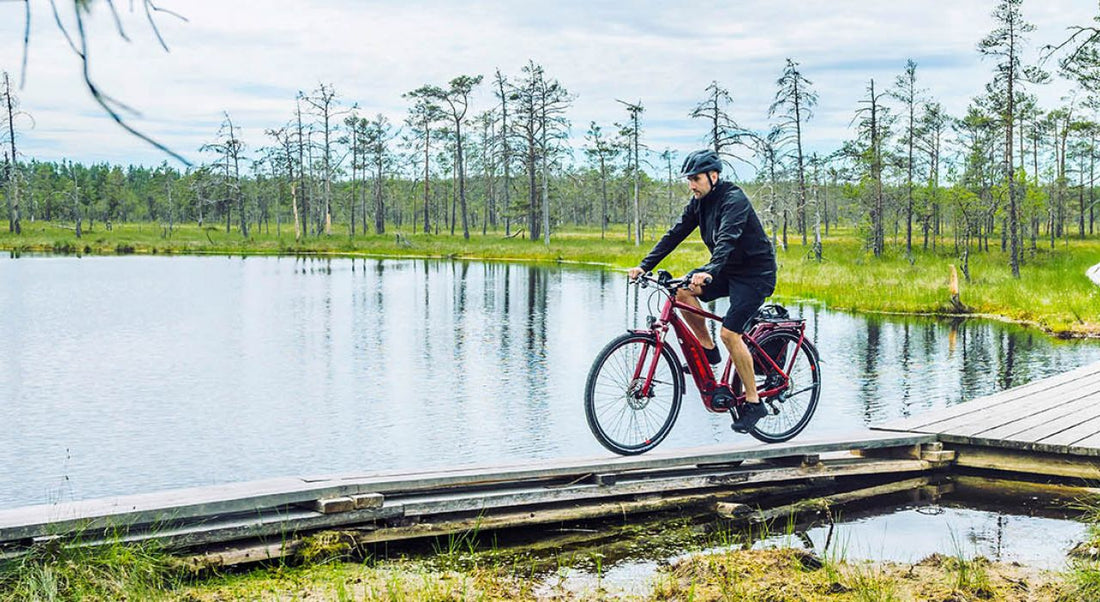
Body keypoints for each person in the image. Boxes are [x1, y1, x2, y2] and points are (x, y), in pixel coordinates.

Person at [627, 149, 777, 432]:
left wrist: (708, 271)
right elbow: (675, 234)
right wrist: (644, 266)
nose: (691, 185)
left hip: (755, 274)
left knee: (730, 334)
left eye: (695, 179)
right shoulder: (699, 203)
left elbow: (727, 240)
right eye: (689, 180)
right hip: (727, 270)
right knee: (681, 291)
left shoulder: (734, 200)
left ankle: (755, 402)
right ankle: (708, 350)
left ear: (713, 176)